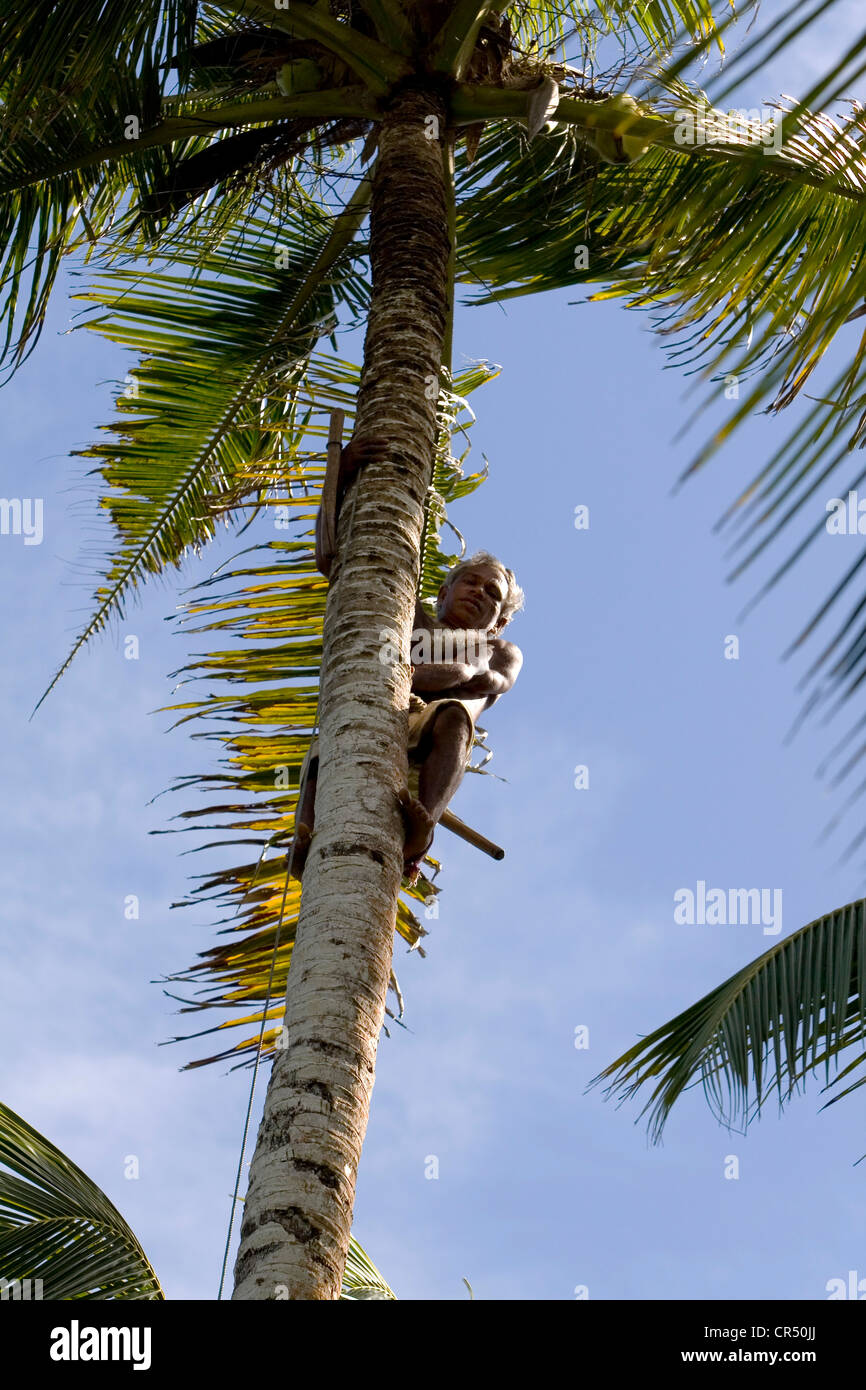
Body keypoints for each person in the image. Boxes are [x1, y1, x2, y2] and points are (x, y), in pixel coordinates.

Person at [293, 435, 524, 883]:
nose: (478, 592)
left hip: (432, 734)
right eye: (470, 582)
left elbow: (484, 681)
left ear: (499, 621)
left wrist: (430, 673)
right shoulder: (407, 613)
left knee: (456, 715)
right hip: (378, 715)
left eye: (491, 594)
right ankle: (305, 836)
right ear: (443, 592)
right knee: (327, 745)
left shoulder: (498, 649)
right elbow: (333, 558)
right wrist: (338, 476)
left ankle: (423, 829)